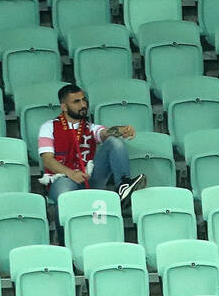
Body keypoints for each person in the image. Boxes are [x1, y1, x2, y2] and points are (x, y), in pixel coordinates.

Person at [38, 84, 146, 221]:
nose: (83, 105)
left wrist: (122, 129)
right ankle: (64, 240)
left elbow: (105, 133)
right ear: (64, 107)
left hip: (89, 177)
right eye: (77, 102)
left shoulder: (90, 127)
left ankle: (123, 186)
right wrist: (71, 173)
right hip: (63, 178)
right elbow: (47, 160)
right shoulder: (48, 127)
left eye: (84, 100)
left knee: (114, 142)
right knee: (64, 195)